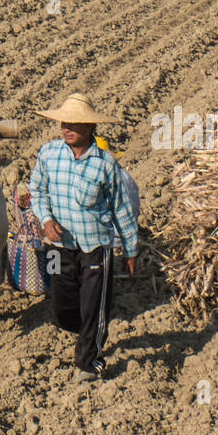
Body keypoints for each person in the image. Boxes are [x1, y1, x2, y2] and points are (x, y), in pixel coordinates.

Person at [29, 93, 139, 382]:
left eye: (75, 124)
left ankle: (90, 360)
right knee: (60, 307)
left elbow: (121, 208)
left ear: (91, 128)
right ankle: (87, 332)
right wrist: (46, 219)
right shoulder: (49, 154)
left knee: (94, 306)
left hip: (95, 246)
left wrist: (130, 250)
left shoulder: (105, 164)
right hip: (58, 248)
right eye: (65, 123)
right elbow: (37, 192)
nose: (67, 128)